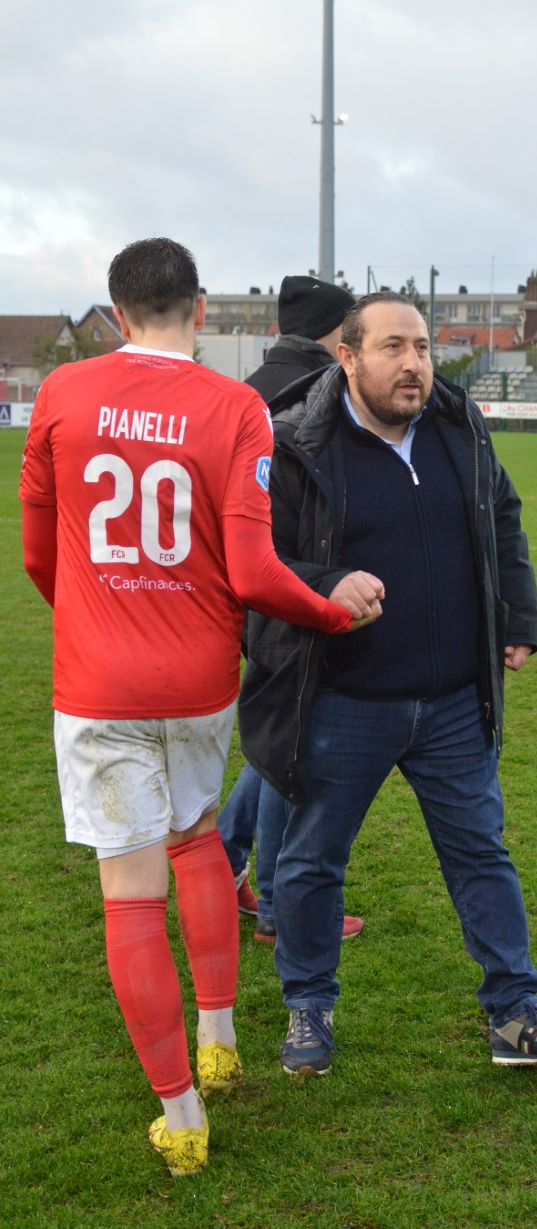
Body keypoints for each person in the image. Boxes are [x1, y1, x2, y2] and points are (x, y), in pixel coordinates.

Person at [18, 239, 383, 1176]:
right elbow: (257, 572)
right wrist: (327, 608)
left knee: (130, 886)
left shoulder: (63, 393)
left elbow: (38, 553)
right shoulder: (235, 407)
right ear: (203, 307)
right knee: (198, 837)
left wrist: (98, 619)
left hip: (100, 680)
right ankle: (218, 1044)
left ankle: (182, 1118)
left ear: (114, 311)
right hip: (198, 678)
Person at [237, 290, 537, 1078]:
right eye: (394, 348)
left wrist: (517, 615)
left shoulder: (456, 427)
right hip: (338, 699)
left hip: (451, 705)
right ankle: (308, 1008)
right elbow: (254, 562)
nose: (415, 366)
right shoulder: (298, 443)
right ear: (348, 357)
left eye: (424, 348)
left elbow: (502, 518)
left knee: (481, 854)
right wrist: (326, 583)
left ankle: (515, 1010)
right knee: (308, 865)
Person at [218, 275, 363, 943]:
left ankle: (226, 862)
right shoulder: (321, 391)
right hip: (295, 585)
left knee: (277, 736)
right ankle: (277, 908)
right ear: (336, 332)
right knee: (292, 743)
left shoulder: (241, 390)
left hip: (242, 587)